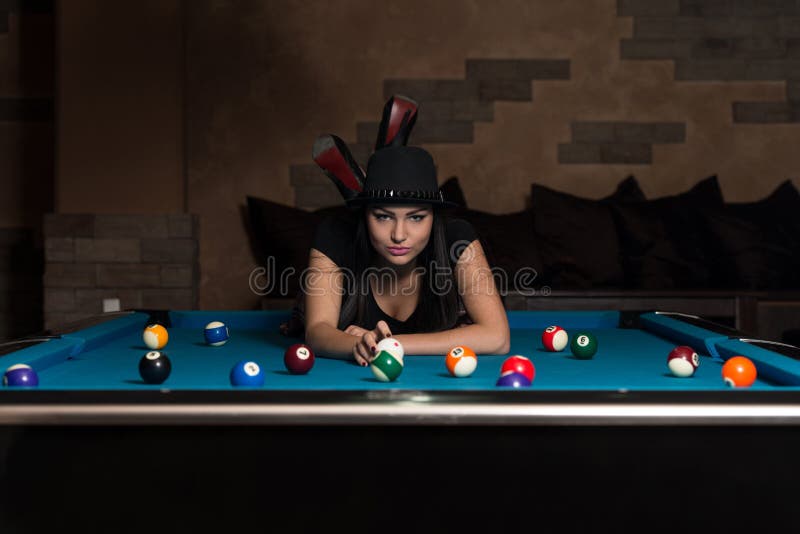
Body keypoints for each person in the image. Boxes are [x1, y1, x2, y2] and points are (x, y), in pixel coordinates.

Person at [302, 141, 510, 366]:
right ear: (365, 215)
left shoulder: (456, 237)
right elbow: (317, 332)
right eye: (383, 216)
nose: (399, 235)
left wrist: (389, 344)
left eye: (416, 217)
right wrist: (357, 344)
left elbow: (497, 338)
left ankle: (388, 147)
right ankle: (389, 146)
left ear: (433, 216)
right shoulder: (335, 235)